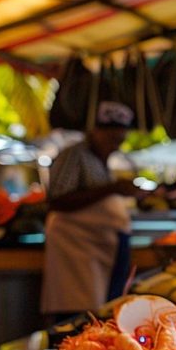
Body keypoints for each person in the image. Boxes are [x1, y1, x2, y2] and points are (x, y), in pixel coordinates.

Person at [41, 101, 142, 322]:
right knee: (76, 312)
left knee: (101, 309)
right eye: (112, 138)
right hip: (74, 246)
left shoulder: (100, 159)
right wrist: (113, 188)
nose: (115, 145)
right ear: (96, 131)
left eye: (120, 140)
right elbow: (58, 199)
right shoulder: (73, 155)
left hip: (96, 247)